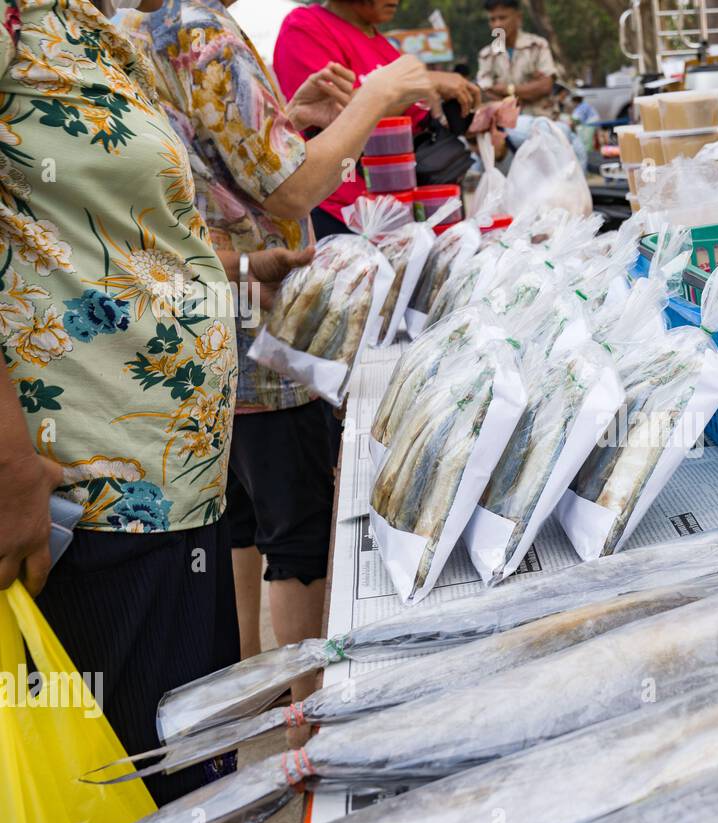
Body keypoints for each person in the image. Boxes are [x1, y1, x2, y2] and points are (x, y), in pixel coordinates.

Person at [0, 0, 265, 806]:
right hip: (90, 501)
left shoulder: (82, 19)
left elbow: (111, 225)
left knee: (190, 796)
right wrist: (8, 463)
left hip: (175, 492)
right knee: (130, 818)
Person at [122, 1, 429, 676]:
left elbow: (211, 160)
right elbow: (290, 190)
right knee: (297, 532)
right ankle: (305, 719)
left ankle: (250, 689)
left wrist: (289, 116)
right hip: (263, 320)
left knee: (241, 519)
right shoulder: (198, 26)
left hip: (207, 318)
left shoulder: (150, 25)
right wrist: (377, 93)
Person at [273, 0, 481, 238]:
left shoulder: (380, 42)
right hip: (345, 209)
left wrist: (476, 118)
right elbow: (335, 111)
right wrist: (422, 81)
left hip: (398, 206)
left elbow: (411, 121)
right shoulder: (304, 26)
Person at [477, 0, 557, 118]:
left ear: (518, 17)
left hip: (541, 119)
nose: (497, 25)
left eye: (502, 18)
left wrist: (506, 90)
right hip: (504, 123)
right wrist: (531, 91)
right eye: (492, 19)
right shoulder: (486, 55)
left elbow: (545, 86)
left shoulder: (537, 46)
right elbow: (485, 92)